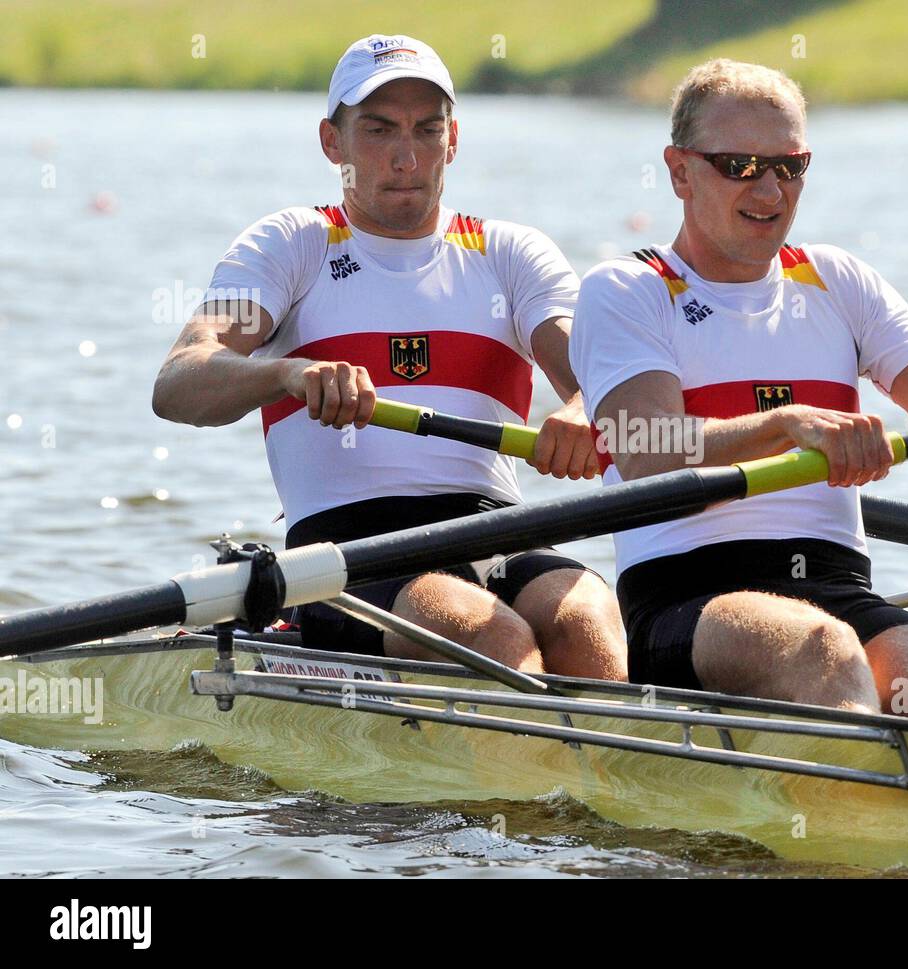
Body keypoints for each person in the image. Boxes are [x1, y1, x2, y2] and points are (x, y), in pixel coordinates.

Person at [570, 59, 908, 740]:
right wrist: (783, 426)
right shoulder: (628, 290)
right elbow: (644, 449)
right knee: (825, 652)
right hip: (688, 602)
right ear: (680, 170)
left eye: (789, 165)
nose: (769, 188)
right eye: (738, 165)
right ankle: (864, 830)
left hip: (838, 588)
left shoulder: (837, 281)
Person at [153, 34, 626, 680]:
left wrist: (580, 408)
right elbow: (179, 381)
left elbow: (604, 377)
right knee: (495, 640)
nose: (407, 158)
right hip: (347, 552)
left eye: (427, 131)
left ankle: (588, 773)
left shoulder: (508, 253)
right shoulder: (293, 246)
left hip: (496, 533)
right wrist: (288, 373)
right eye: (378, 130)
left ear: (452, 141)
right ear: (331, 141)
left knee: (590, 623)